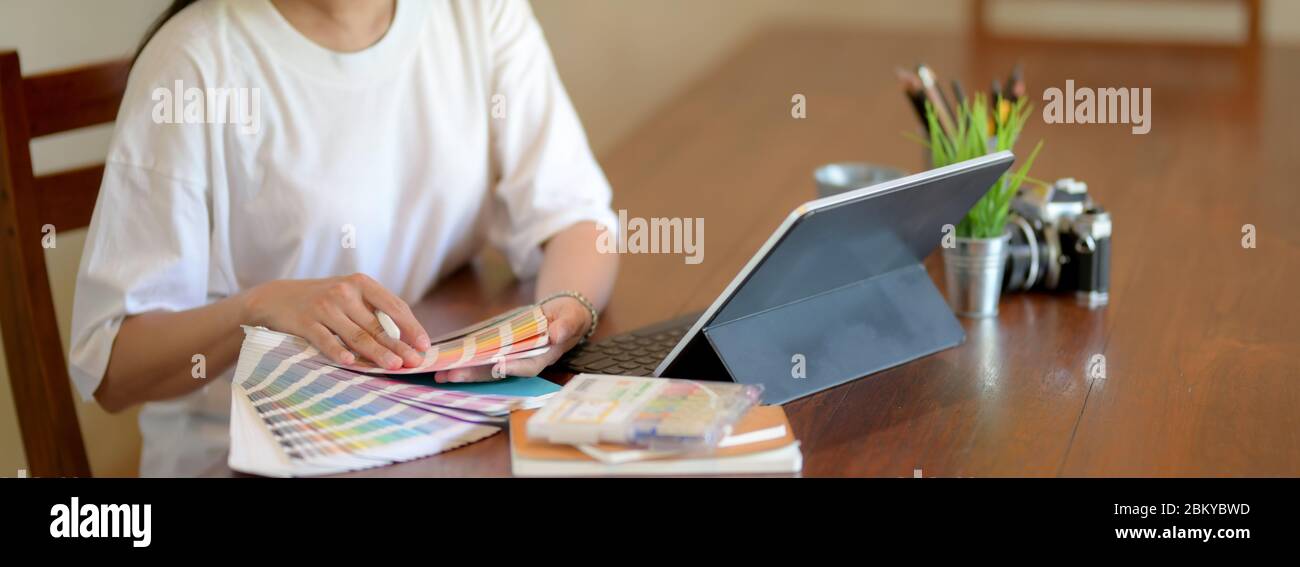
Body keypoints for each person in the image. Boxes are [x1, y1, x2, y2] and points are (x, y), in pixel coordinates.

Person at [68, 0, 618, 476]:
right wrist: (260, 308)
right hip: (248, 455)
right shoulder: (196, 62)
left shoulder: (478, 13)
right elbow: (113, 369)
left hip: (438, 427)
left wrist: (561, 313)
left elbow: (576, 216)